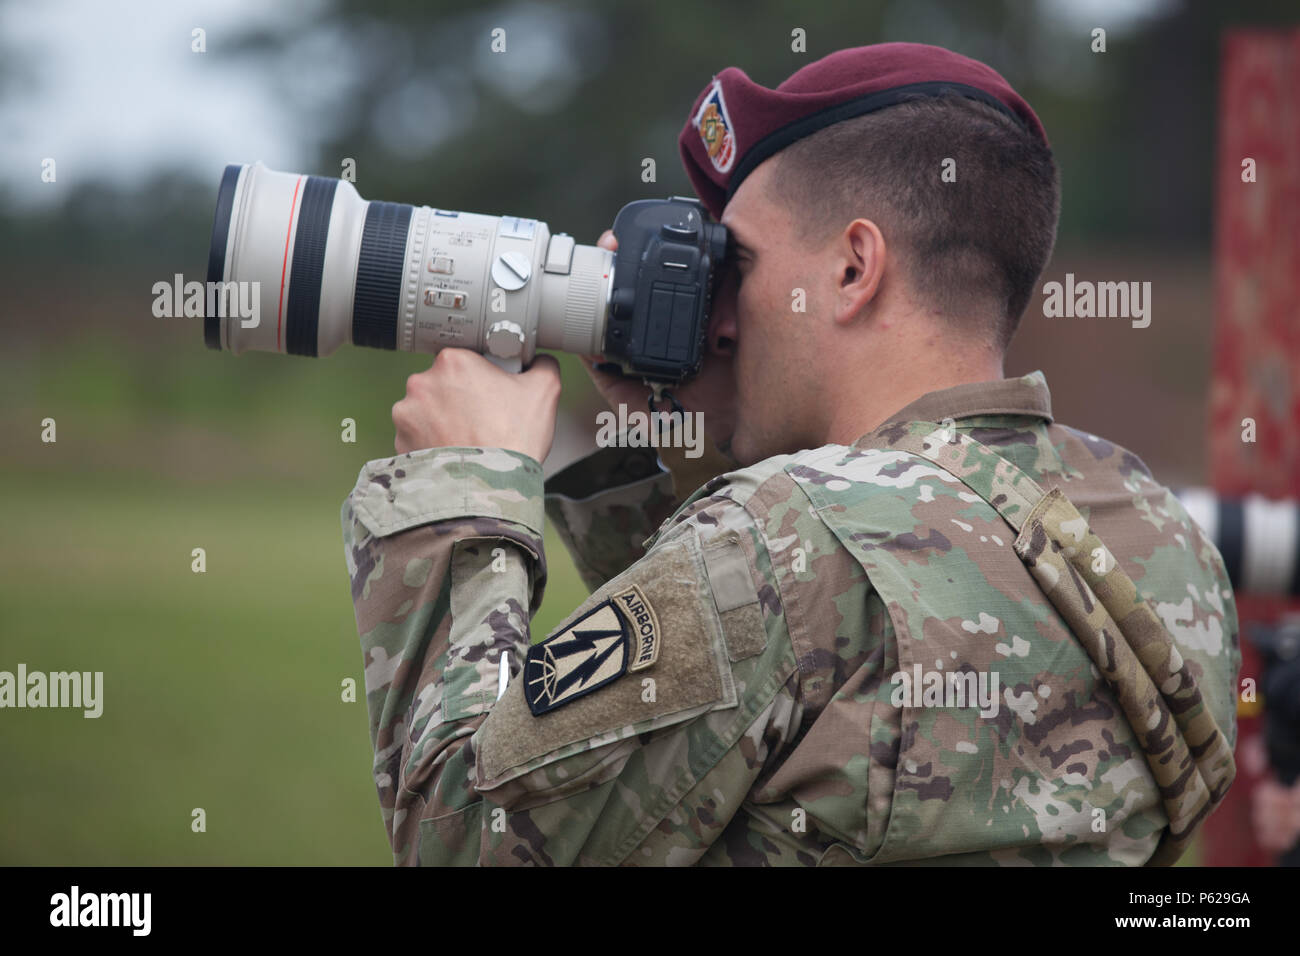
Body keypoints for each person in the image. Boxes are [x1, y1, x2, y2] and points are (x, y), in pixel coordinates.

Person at [340, 42, 1240, 866]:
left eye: (742, 269)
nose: (721, 319)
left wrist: (466, 492)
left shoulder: (777, 542)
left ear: (854, 269)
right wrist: (680, 441)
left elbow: (461, 835)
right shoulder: (1160, 538)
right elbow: (737, 708)